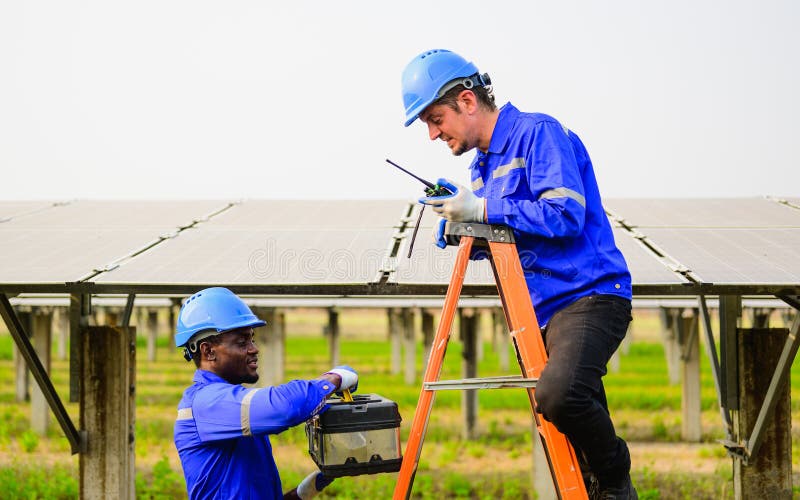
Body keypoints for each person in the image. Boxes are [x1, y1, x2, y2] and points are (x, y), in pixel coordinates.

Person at [401, 49, 636, 499]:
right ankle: (603, 487)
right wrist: (462, 229)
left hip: (588, 295)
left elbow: (565, 214)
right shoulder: (482, 167)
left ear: (467, 101)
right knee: (569, 430)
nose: (432, 134)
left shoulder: (538, 133)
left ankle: (617, 477)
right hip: (543, 312)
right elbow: (511, 237)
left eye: (435, 118)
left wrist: (484, 207)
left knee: (560, 396)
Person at [173, 286, 357, 499]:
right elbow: (283, 407)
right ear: (208, 351)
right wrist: (333, 379)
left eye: (252, 338)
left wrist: (304, 492)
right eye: (242, 342)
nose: (254, 348)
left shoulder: (229, 406)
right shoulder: (206, 402)